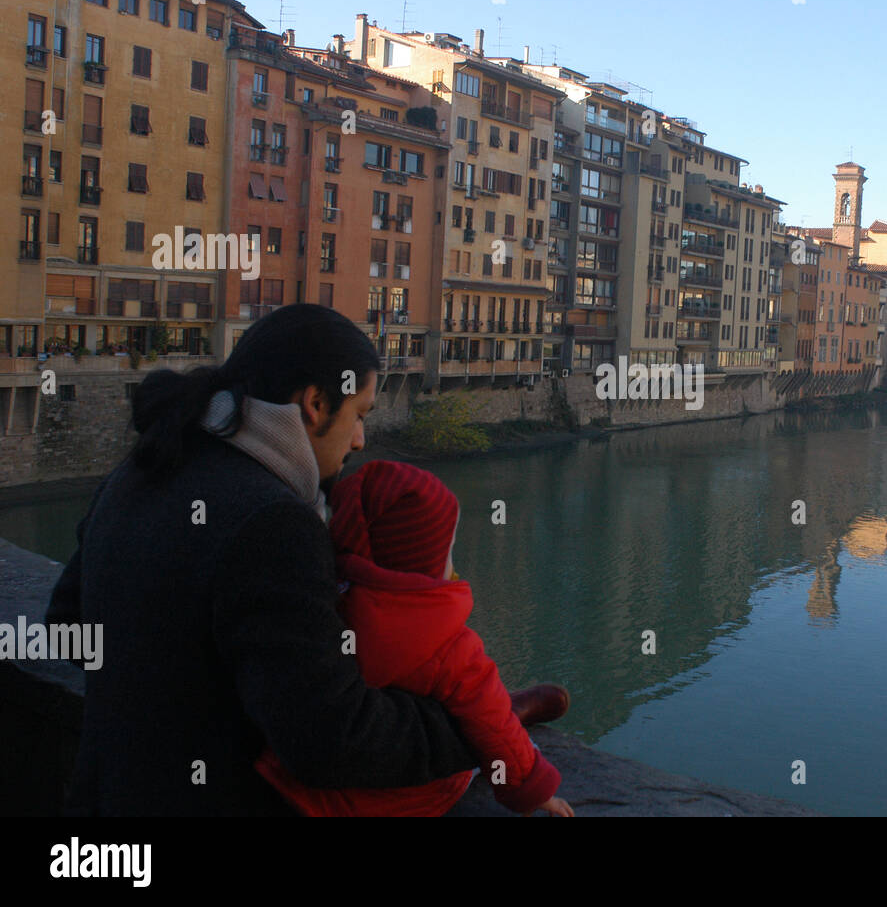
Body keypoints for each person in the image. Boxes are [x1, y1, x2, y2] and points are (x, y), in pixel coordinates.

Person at [44, 305, 484, 815]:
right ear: (315, 403)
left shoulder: (142, 469)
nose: (361, 439)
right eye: (359, 415)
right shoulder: (274, 524)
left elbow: (66, 627)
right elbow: (329, 738)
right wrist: (472, 726)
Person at [255, 460, 574, 816]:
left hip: (304, 793)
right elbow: (495, 730)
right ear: (428, 562)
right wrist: (533, 791)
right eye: (449, 550)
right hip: (396, 802)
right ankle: (515, 713)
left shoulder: (322, 601)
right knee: (482, 720)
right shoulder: (449, 642)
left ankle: (510, 706)